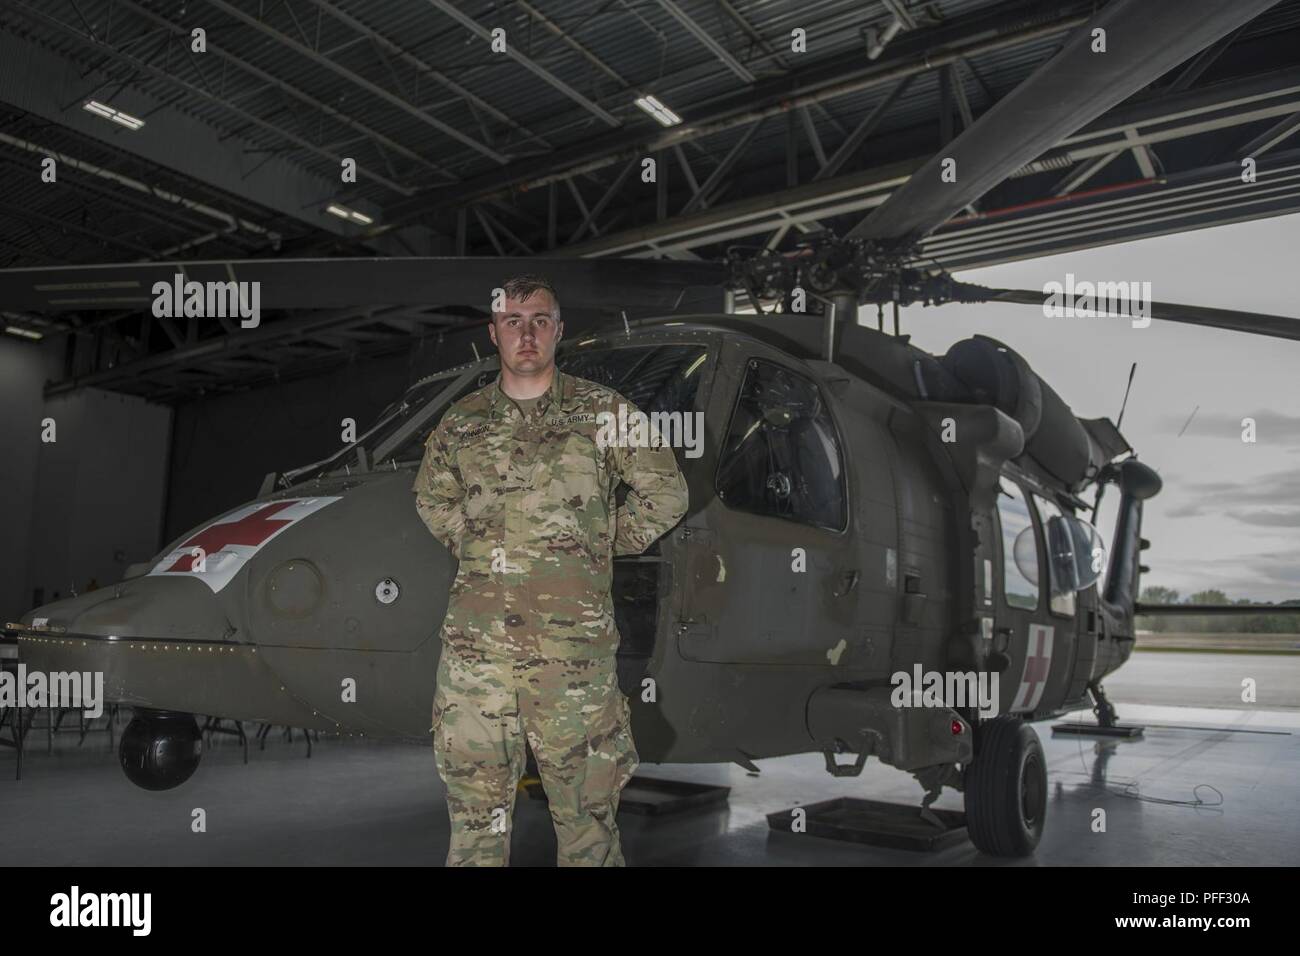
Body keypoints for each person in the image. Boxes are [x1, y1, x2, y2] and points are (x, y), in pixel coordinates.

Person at [412, 274, 689, 866]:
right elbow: (432, 500)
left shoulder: (604, 413)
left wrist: (595, 543)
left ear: (559, 331)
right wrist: (476, 543)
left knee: (588, 824)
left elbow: (666, 494)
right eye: (513, 321)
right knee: (474, 824)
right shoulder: (461, 422)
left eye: (540, 320)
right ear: (494, 334)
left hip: (573, 658)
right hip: (476, 658)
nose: (527, 332)